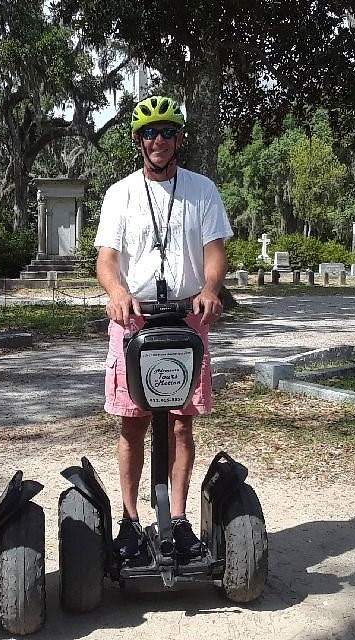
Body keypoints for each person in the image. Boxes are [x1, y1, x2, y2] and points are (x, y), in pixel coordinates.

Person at [93, 96, 233, 565]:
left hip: (187, 317)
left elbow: (215, 250)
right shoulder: (121, 193)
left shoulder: (202, 190)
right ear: (138, 141)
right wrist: (116, 292)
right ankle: (131, 521)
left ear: (179, 140)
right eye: (150, 133)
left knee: (180, 422)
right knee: (131, 423)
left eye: (167, 132)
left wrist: (211, 288)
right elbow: (107, 258)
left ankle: (175, 519)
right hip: (134, 319)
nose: (158, 141)